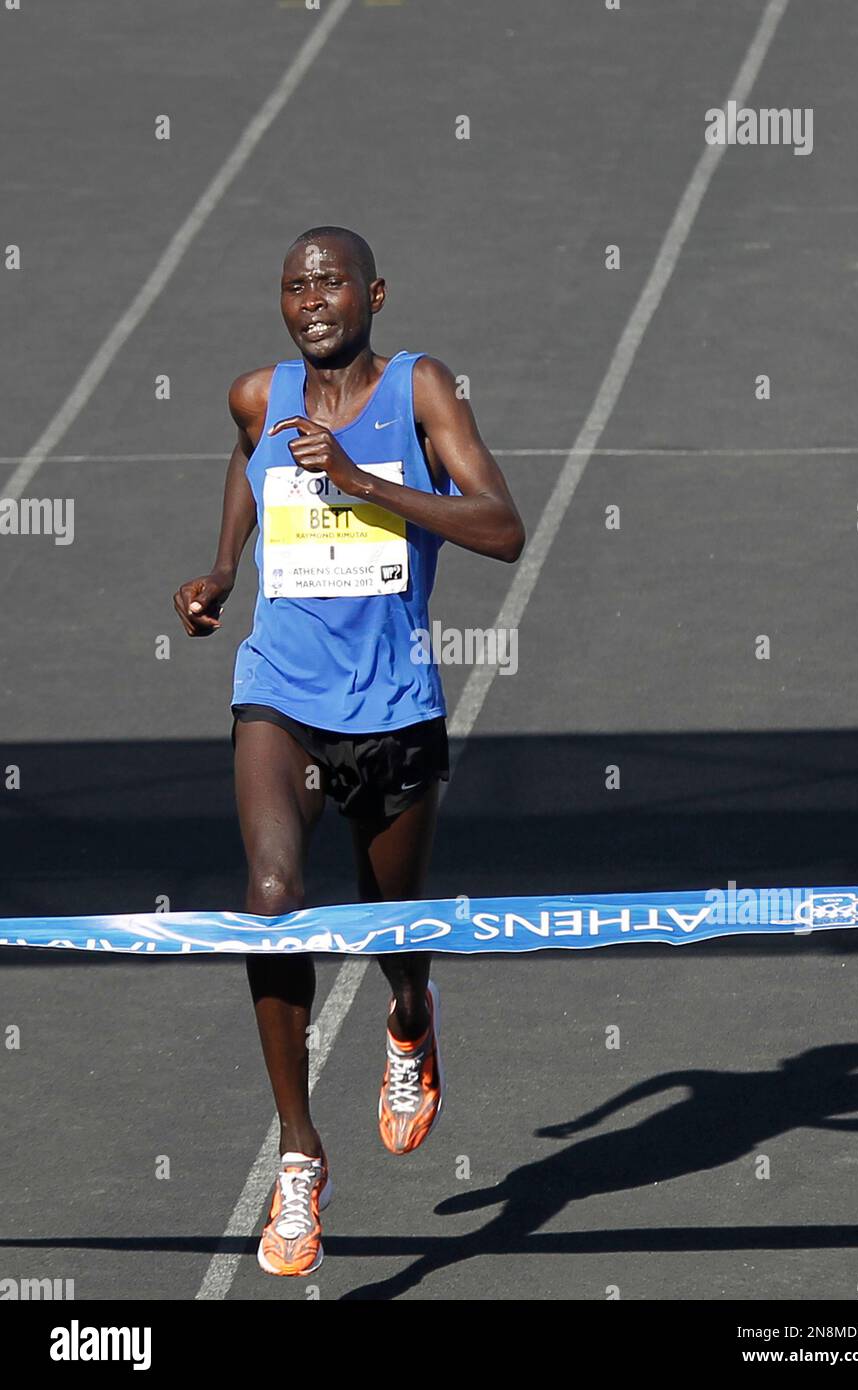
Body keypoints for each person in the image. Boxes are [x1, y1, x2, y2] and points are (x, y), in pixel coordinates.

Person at [173, 226, 525, 1276]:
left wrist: (370, 484)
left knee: (389, 931)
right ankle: (300, 1152)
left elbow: (502, 528)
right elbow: (250, 465)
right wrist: (225, 570)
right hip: (280, 692)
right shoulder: (259, 395)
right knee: (273, 896)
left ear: (372, 292)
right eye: (293, 285)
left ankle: (411, 1019)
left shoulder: (421, 392)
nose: (312, 299)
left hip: (393, 702)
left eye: (330, 281)